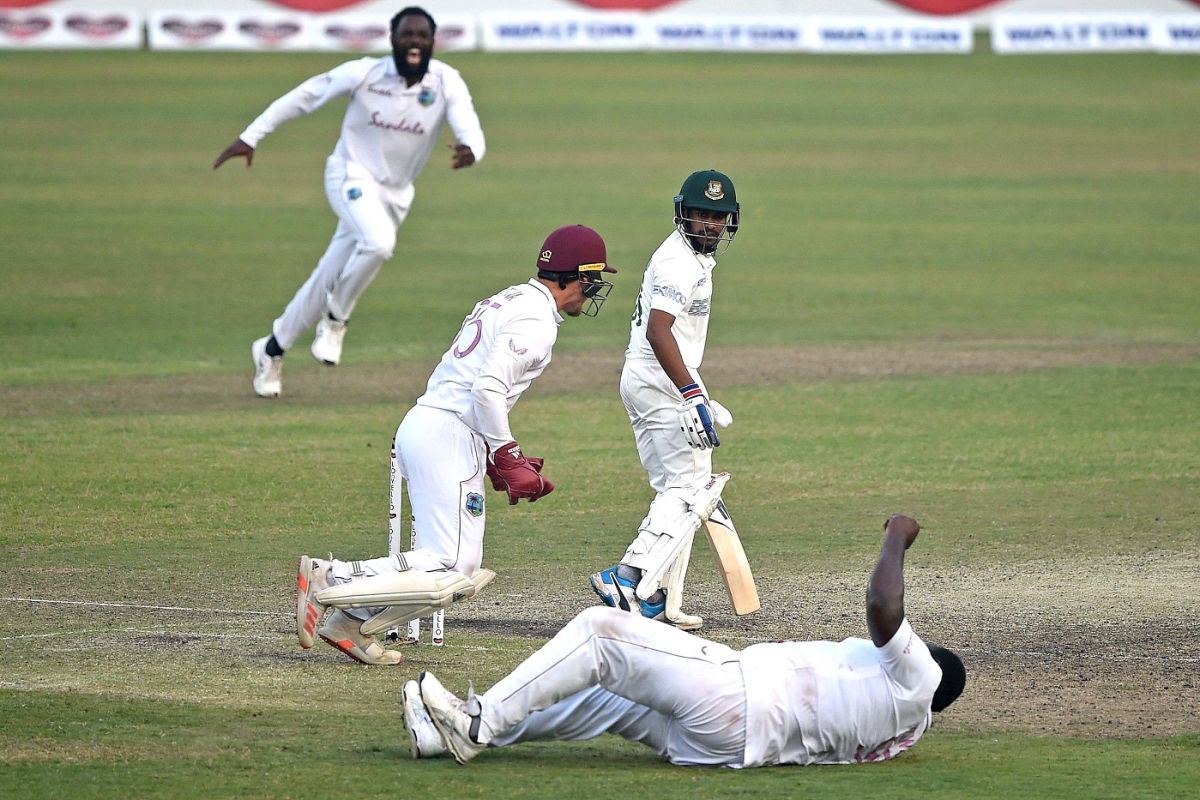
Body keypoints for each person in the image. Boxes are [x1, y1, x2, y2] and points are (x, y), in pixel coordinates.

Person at [294, 224, 617, 665]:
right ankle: (332, 576)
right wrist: (506, 451)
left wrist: (491, 453)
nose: (592, 291)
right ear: (571, 277)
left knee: (454, 565)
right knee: (451, 567)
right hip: (447, 432)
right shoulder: (538, 321)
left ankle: (350, 621)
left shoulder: (510, 299)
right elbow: (486, 389)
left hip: (434, 426)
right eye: (591, 280)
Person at [403, 514, 966, 767]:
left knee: (599, 633)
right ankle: (451, 734)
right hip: (726, 748)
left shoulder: (917, 681)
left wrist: (897, 537)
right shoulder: (908, 727)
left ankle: (478, 725)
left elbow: (882, 608)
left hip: (740, 700)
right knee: (604, 698)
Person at [213, 6, 486, 398]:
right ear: (392, 39)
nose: (414, 42)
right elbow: (305, 96)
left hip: (396, 194)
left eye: (422, 36)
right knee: (378, 244)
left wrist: (472, 150)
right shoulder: (365, 73)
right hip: (349, 175)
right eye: (406, 35)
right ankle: (337, 319)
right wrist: (251, 136)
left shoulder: (447, 82)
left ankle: (271, 349)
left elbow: (470, 126)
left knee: (327, 273)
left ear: (432, 41)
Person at [589, 169, 741, 629]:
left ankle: (660, 597)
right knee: (688, 488)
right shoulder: (678, 262)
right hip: (661, 380)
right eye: (700, 215)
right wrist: (691, 392)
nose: (709, 225)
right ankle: (627, 576)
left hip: (658, 377)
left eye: (718, 217)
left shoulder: (691, 259)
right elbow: (659, 330)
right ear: (682, 213)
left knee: (684, 484)